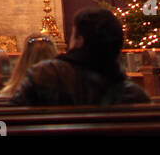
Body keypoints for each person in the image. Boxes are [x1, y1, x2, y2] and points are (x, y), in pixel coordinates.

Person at [9, 7, 150, 105]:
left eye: (72, 35)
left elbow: (12, 118)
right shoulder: (134, 96)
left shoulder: (44, 75)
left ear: (79, 41)